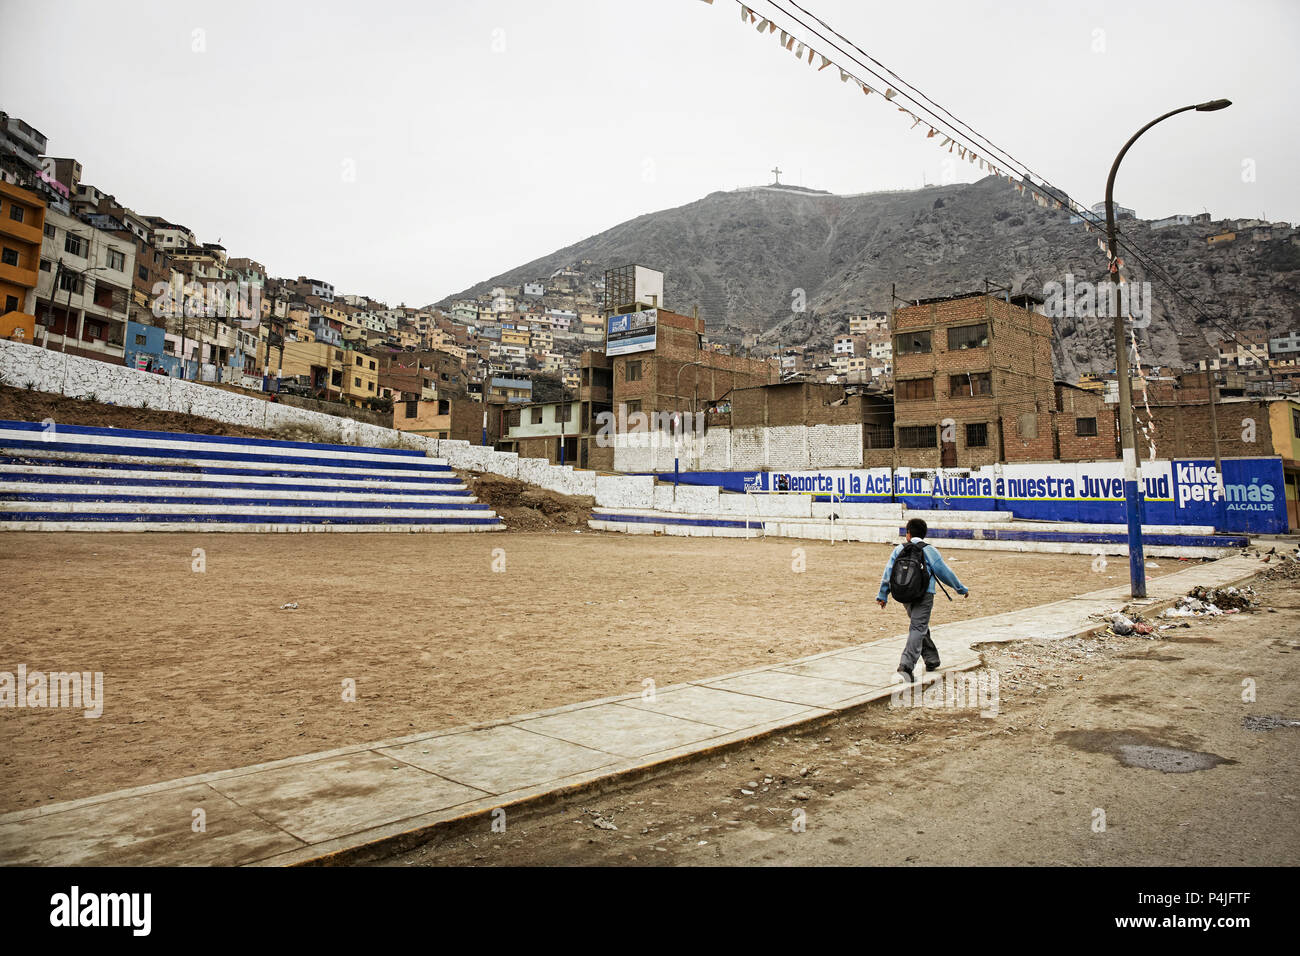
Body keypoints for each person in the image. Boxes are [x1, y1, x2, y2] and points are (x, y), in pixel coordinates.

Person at [876, 517, 969, 683]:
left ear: (908, 534)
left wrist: (883, 595)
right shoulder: (929, 550)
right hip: (924, 594)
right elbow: (945, 572)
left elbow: (888, 572)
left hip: (904, 594)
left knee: (919, 625)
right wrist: (960, 589)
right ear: (924, 534)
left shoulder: (899, 549)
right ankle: (906, 665)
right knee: (919, 626)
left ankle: (931, 659)